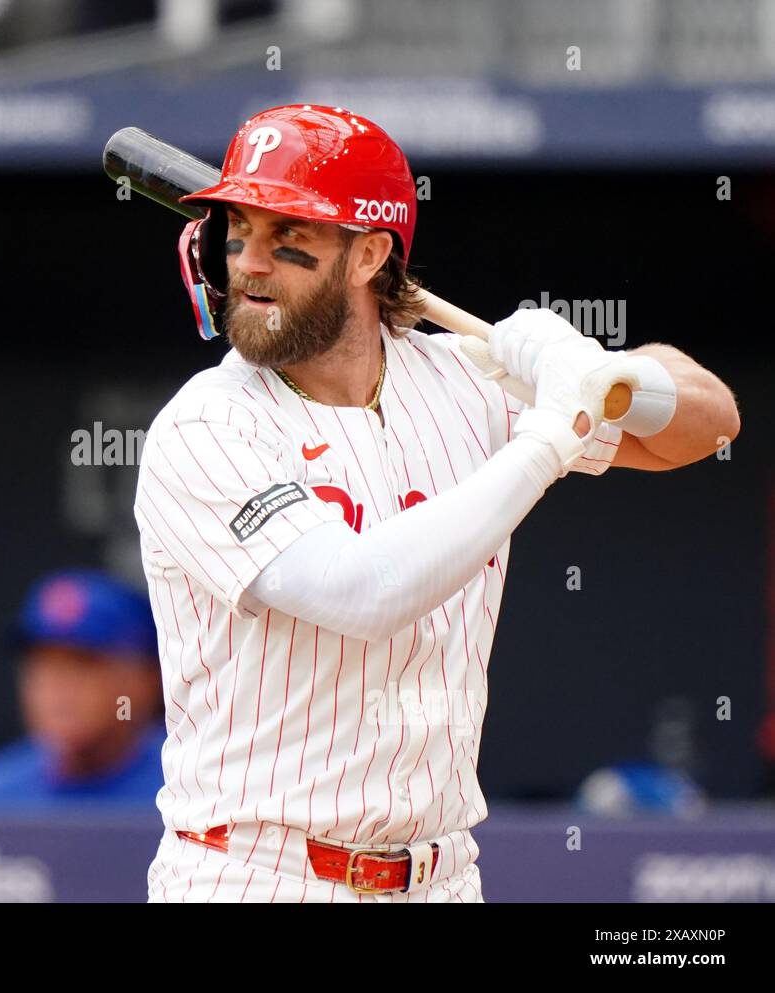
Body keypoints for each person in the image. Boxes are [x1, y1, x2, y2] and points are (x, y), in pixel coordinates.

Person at [135, 104, 740, 902]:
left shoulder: (462, 382)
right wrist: (550, 435)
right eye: (238, 232)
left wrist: (596, 371)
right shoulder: (206, 424)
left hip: (442, 874)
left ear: (370, 255)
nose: (250, 264)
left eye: (290, 239)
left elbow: (709, 422)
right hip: (255, 871)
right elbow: (362, 591)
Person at [0, 569, 165, 806]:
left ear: (144, 680)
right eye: (41, 665)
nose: (57, 686)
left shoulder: (188, 785)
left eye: (82, 664)